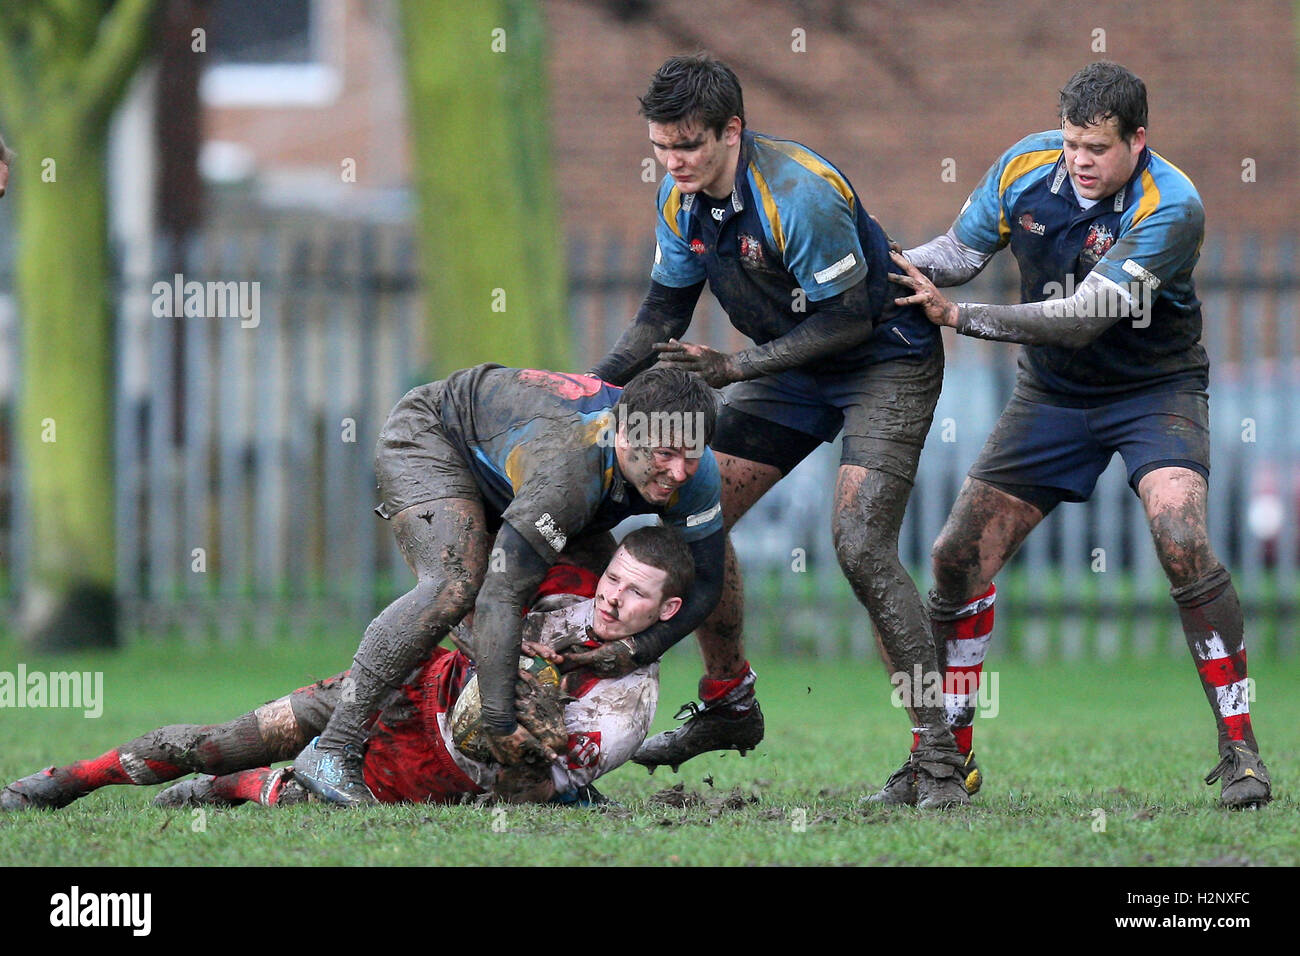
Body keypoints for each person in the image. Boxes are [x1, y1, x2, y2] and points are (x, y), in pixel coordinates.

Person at [884, 61, 1271, 808]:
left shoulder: (1172, 205)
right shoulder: (1025, 167)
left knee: (1182, 538)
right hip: (1053, 397)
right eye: (1071, 144)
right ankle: (943, 759)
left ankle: (1241, 753)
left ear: (1137, 141)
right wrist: (878, 262)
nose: (1080, 161)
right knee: (956, 557)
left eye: (1097, 148)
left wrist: (960, 318)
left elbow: (1082, 317)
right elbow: (957, 255)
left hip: (1154, 391)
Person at [589, 55, 968, 806]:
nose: (673, 162)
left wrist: (735, 367)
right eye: (661, 147)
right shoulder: (679, 200)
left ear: (731, 131)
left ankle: (938, 758)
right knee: (693, 511)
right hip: (788, 368)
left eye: (688, 146)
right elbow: (662, 315)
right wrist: (590, 391)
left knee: (860, 545)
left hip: (883, 360)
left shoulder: (799, 194)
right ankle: (729, 701)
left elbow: (848, 318)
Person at [0, 526, 692, 810]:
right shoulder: (570, 586)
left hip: (434, 768)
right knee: (222, 738)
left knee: (293, 803)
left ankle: (234, 790)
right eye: (614, 579)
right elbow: (473, 590)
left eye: (635, 594)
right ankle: (62, 784)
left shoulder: (624, 712)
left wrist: (514, 738)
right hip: (404, 687)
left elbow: (532, 791)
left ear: (668, 612)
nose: (612, 598)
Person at [291, 364, 725, 806]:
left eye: (691, 455)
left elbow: (708, 582)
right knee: (453, 586)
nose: (680, 472)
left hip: (529, 468)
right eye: (665, 454)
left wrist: (639, 648)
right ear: (627, 437)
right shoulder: (569, 473)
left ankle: (554, 773)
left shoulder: (694, 471)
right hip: (437, 436)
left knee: (595, 597)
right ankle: (333, 748)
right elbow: (500, 593)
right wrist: (498, 721)